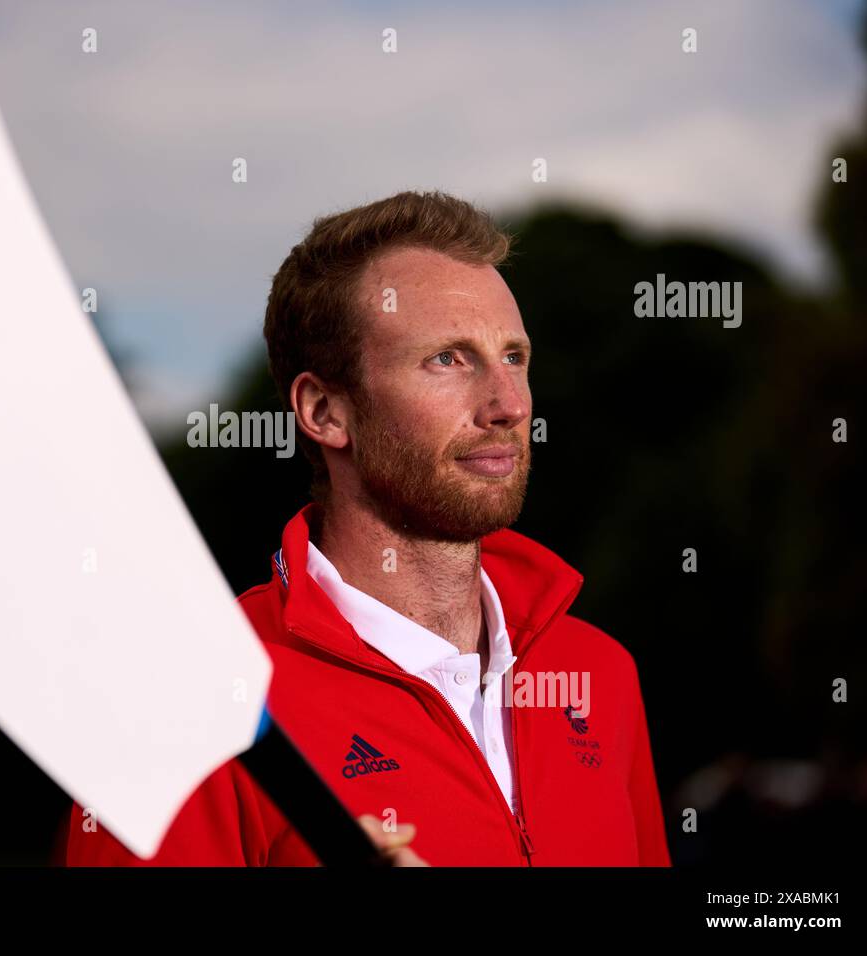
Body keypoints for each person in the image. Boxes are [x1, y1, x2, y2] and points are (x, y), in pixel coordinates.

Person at [65, 190, 671, 866]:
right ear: (325, 411)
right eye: (448, 359)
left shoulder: (598, 671)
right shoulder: (187, 707)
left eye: (514, 357)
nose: (507, 403)